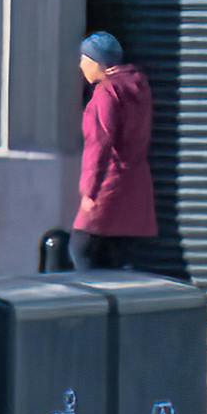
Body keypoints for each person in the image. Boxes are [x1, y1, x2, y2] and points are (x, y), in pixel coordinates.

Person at [71, 28, 164, 274]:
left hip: (109, 185)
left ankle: (95, 307)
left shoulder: (107, 93)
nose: (81, 65)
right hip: (135, 185)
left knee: (80, 249)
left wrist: (90, 191)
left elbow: (99, 144)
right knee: (118, 256)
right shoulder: (138, 88)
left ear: (97, 62)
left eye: (84, 59)